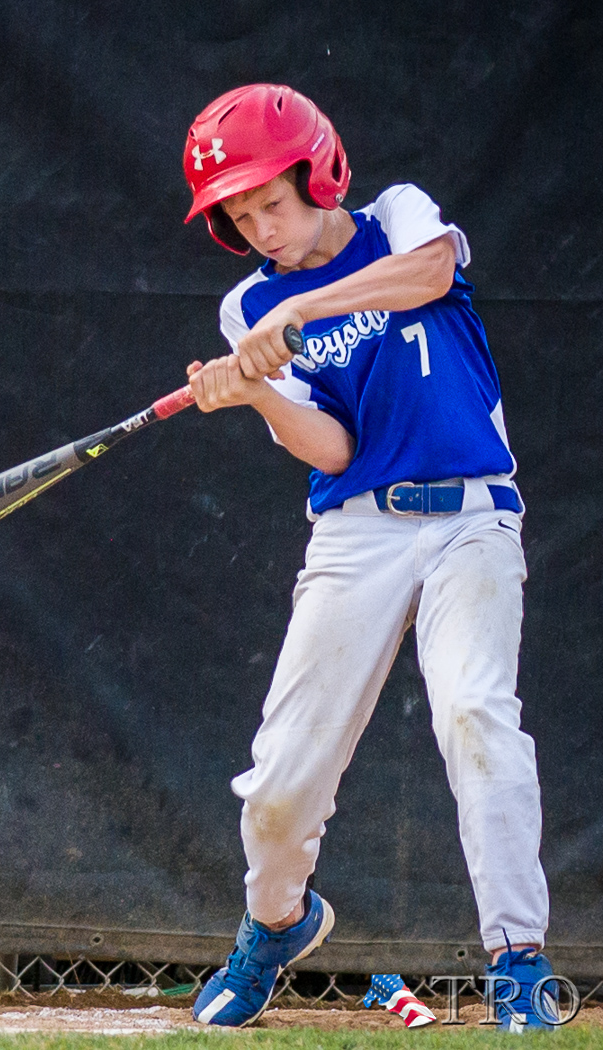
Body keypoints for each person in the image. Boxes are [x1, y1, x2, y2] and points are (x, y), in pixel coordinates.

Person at [181, 84, 556, 1033]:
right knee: (280, 779)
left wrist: (304, 309)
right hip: (358, 529)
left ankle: (519, 960)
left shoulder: (397, 217)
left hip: (472, 512)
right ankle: (276, 924)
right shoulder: (247, 305)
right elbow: (334, 451)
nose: (260, 227)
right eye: (239, 214)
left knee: (475, 713)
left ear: (320, 172)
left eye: (272, 201)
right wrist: (256, 393)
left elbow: (428, 274)